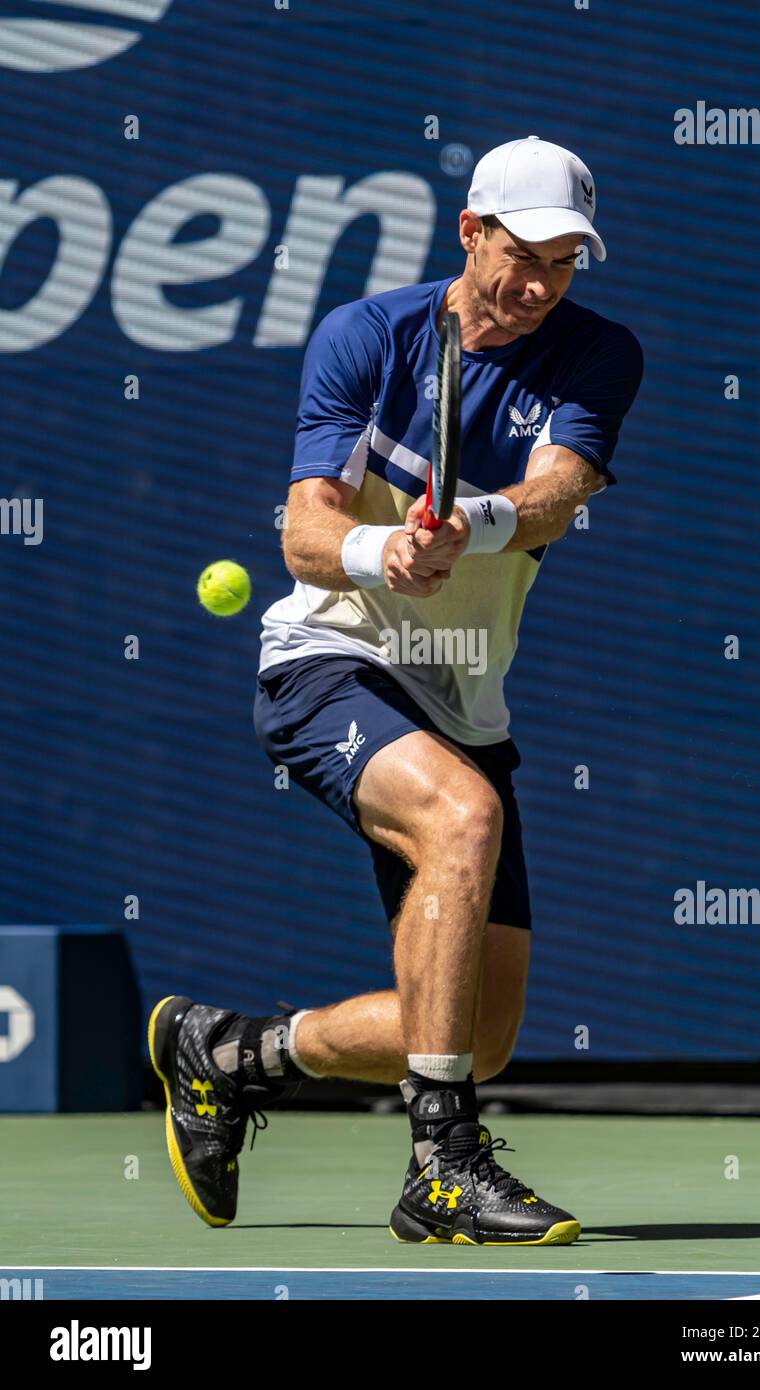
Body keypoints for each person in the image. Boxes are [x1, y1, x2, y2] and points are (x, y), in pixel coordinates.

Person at [149, 135, 643, 1245]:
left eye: (563, 263)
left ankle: (225, 1052)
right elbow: (305, 528)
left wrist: (476, 524)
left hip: (465, 696)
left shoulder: (596, 351)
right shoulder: (364, 336)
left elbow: (560, 488)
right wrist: (383, 551)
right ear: (468, 233)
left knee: (481, 1029)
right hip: (331, 657)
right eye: (521, 255)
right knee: (459, 814)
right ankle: (440, 1168)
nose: (538, 285)